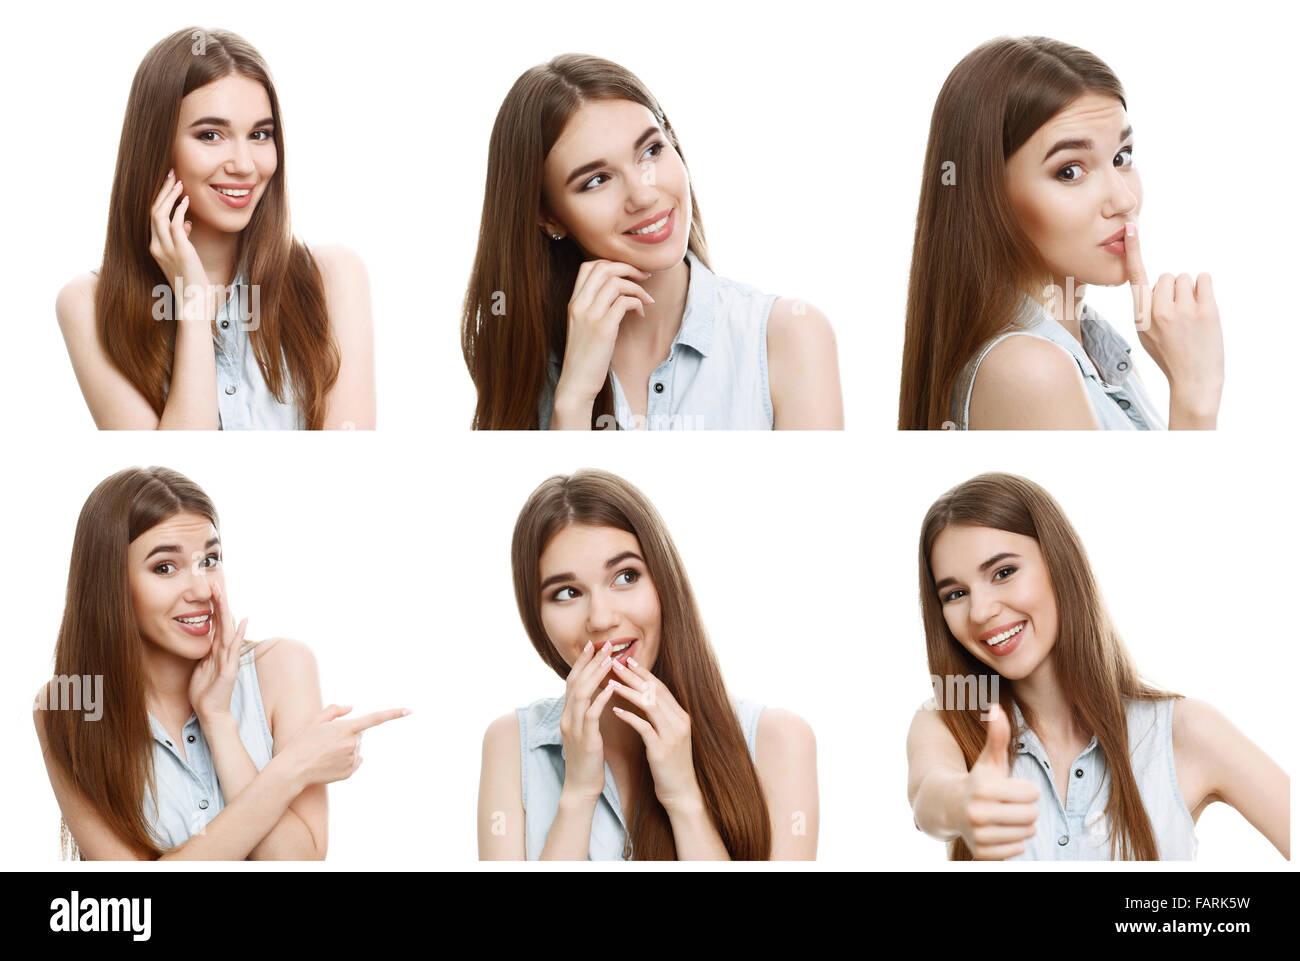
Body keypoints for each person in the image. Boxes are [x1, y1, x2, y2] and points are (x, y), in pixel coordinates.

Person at [906, 472, 1288, 859]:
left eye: (1004, 572)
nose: (981, 610)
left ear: (1059, 563)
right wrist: (959, 803)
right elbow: (928, 792)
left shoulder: (1182, 731)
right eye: (955, 594)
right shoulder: (947, 718)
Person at [33, 467, 407, 859]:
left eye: (209, 560)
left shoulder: (281, 667)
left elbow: (295, 863)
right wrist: (293, 768)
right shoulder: (69, 704)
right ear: (110, 584)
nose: (200, 590)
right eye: (165, 567)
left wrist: (218, 721)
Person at [462, 54, 843, 430]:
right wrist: (575, 397)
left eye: (651, 151)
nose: (643, 195)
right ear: (549, 217)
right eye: (596, 180)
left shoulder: (789, 337)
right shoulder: (526, 364)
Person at [478, 469, 818, 858]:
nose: (601, 619)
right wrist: (577, 794)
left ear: (663, 581)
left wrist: (684, 799)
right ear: (536, 614)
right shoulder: (512, 746)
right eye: (567, 592)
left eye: (625, 576)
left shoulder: (780, 741)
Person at [898, 37, 1223, 430]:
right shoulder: (1031, 371)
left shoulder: (1098, 348)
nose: (1123, 200)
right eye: (1070, 171)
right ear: (989, 196)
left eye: (1121, 158)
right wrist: (1194, 394)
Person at [56, 27, 375, 429]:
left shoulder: (333, 277)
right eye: (211, 135)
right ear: (156, 146)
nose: (244, 164)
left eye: (260, 134)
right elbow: (176, 472)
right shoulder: (88, 303)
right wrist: (192, 303)